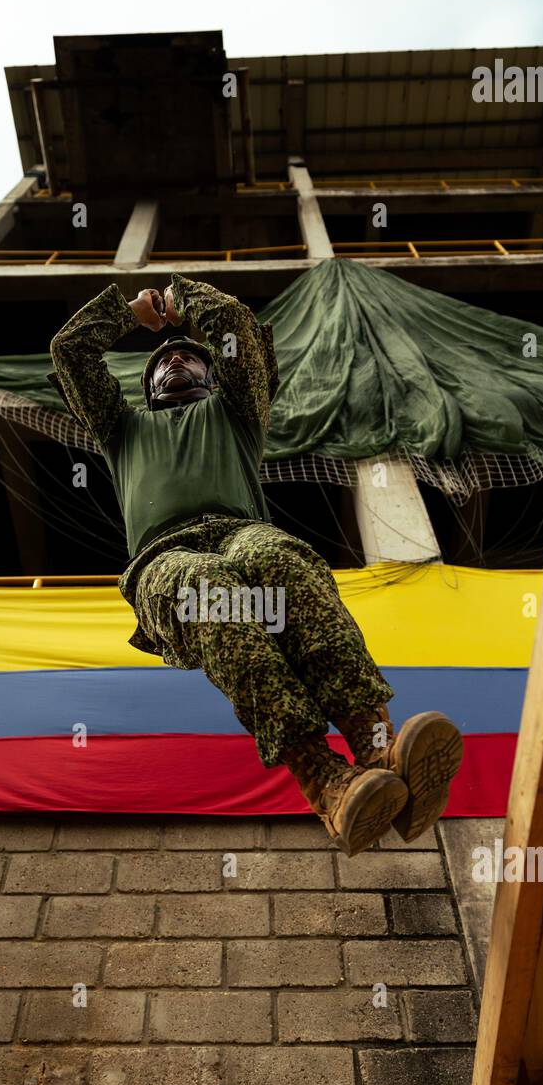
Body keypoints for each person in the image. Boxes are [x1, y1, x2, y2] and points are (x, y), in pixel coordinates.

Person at [49, 273, 462, 855]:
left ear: (210, 376)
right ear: (144, 389)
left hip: (243, 532)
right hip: (166, 555)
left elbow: (238, 329)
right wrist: (128, 314)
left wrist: (187, 304)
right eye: (160, 365)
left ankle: (378, 747)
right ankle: (324, 780)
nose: (173, 364)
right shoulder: (122, 430)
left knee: (275, 558)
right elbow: (70, 352)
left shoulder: (237, 413)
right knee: (205, 588)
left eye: (188, 359)